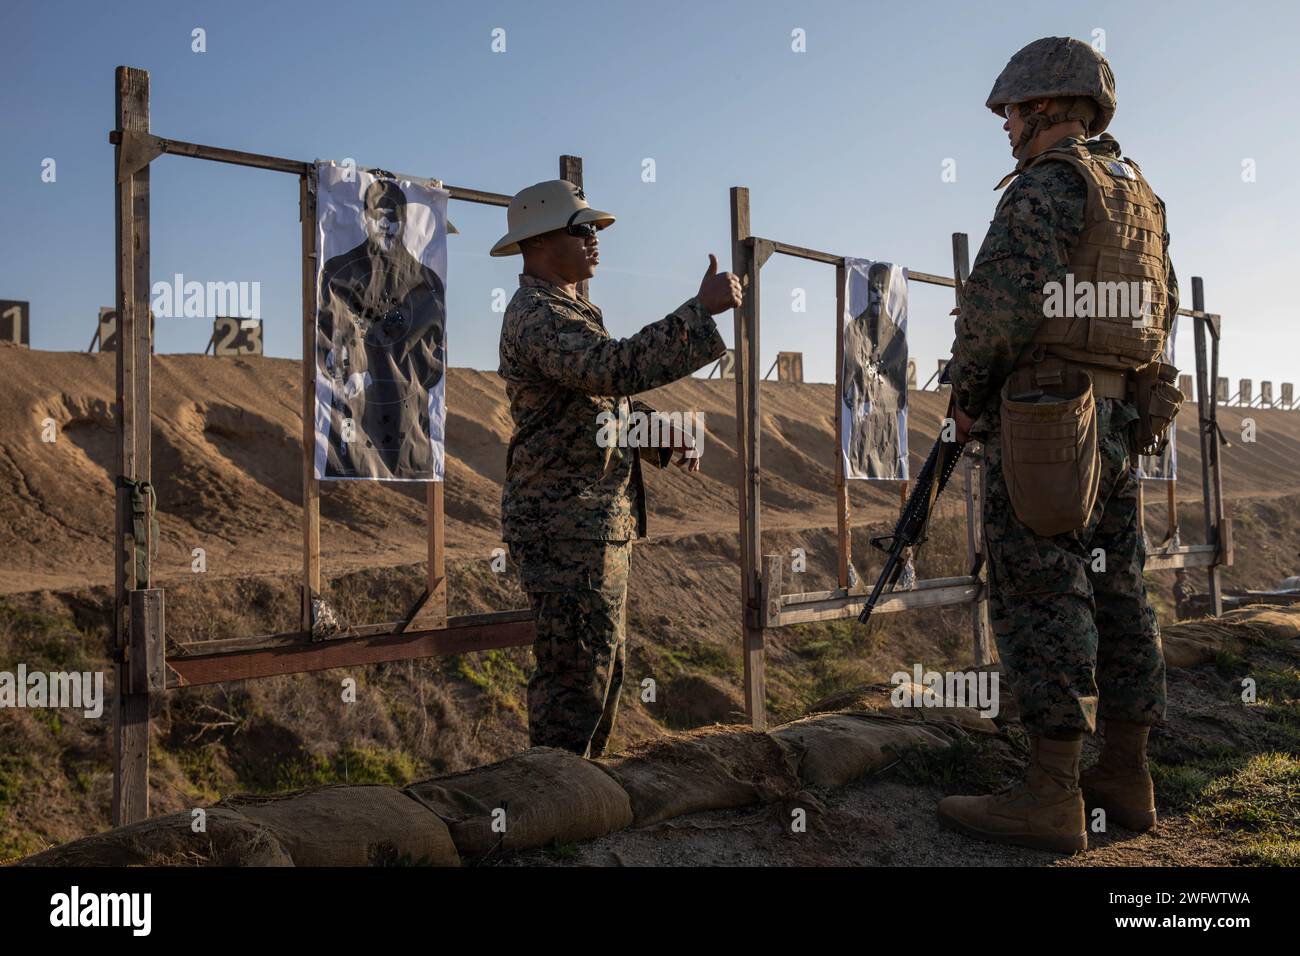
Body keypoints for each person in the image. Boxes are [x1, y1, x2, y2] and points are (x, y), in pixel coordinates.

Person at [937, 37, 1179, 853]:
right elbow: (1161, 313)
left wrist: (967, 398)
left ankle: (1050, 797)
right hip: (1119, 421)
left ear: (1043, 107)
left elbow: (998, 311)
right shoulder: (1137, 194)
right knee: (1121, 591)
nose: (1004, 126)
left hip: (1046, 421)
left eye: (1010, 111)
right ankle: (1127, 780)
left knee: (1043, 591)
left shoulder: (1047, 186)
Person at [493, 179, 741, 757]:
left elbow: (594, 405)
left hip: (590, 524)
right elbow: (613, 368)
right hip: (564, 527)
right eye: (582, 230)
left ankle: (575, 802)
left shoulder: (568, 311)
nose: (595, 240)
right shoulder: (537, 315)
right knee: (574, 680)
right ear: (538, 240)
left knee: (599, 667)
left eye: (595, 229)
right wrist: (699, 311)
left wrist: (656, 434)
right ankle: (555, 809)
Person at [318, 177, 446, 478]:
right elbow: (330, 334)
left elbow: (435, 354)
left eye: (393, 220)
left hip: (408, 419)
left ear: (403, 222)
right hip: (356, 412)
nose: (386, 226)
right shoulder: (339, 270)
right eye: (379, 218)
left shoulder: (426, 280)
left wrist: (407, 374)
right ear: (365, 218)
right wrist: (354, 369)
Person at [842, 261, 907, 478]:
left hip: (886, 419)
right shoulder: (854, 327)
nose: (879, 293)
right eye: (874, 287)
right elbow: (849, 369)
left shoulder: (896, 333)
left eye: (884, 288)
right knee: (859, 463)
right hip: (863, 417)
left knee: (888, 466)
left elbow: (900, 385)